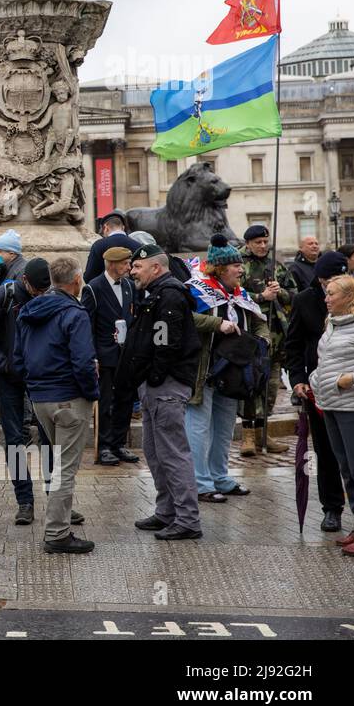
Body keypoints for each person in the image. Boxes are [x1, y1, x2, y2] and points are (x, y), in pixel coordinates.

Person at [13, 257, 98, 554]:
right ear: (76, 281)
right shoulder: (74, 313)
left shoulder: (28, 310)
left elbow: (18, 358)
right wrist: (92, 393)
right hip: (69, 398)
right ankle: (57, 533)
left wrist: (34, 386)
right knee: (64, 469)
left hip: (40, 399)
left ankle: (57, 525)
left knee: (59, 465)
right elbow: (83, 362)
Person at [122, 244, 203, 541]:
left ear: (155, 268)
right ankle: (167, 511)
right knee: (155, 453)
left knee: (172, 453)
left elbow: (166, 342)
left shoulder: (168, 294)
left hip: (165, 386)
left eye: (137, 267)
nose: (133, 271)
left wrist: (154, 376)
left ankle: (187, 519)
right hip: (155, 385)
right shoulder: (156, 292)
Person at [185, 235, 269, 502]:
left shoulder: (240, 293)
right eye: (235, 265)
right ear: (220, 268)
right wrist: (215, 324)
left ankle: (220, 477)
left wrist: (264, 338)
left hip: (234, 372)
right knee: (198, 427)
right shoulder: (194, 289)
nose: (241, 269)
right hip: (204, 370)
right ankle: (200, 483)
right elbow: (184, 317)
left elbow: (258, 321)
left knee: (223, 428)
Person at [0, 258, 52, 525]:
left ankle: (56, 499)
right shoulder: (3, 296)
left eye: (45, 291)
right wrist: (4, 366)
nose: (40, 295)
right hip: (9, 378)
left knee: (49, 437)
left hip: (41, 377)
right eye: (36, 290)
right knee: (14, 440)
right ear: (25, 281)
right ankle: (25, 501)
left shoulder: (48, 295)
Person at [285, 251, 352, 532]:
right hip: (319, 386)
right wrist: (298, 378)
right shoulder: (304, 300)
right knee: (324, 451)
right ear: (320, 280)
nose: (333, 287)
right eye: (330, 281)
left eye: (341, 278)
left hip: (352, 386)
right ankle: (332, 508)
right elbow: (293, 344)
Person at [307, 275, 354, 553]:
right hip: (329, 405)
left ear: (349, 297)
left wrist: (349, 379)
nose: (326, 298)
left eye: (331, 294)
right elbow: (324, 360)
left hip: (353, 407)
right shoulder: (331, 325)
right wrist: (315, 379)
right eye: (326, 293)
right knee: (347, 471)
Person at [82, 246, 139, 466]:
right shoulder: (93, 288)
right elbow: (87, 326)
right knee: (105, 403)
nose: (129, 267)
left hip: (125, 355)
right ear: (112, 264)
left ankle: (118, 443)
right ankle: (104, 446)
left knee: (125, 400)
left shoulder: (128, 286)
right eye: (125, 263)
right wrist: (92, 357)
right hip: (104, 356)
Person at [239, 224, 293, 454]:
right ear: (248, 243)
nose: (263, 246)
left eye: (265, 242)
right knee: (251, 386)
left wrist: (279, 291)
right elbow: (234, 293)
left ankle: (264, 434)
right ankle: (248, 436)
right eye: (257, 242)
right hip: (252, 335)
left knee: (271, 388)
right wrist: (261, 296)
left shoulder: (275, 265)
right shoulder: (239, 265)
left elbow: (293, 294)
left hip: (276, 336)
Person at [83, 210, 141, 284]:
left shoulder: (98, 245)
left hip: (104, 292)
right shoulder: (138, 245)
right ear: (123, 228)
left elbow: (89, 276)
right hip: (132, 293)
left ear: (106, 228)